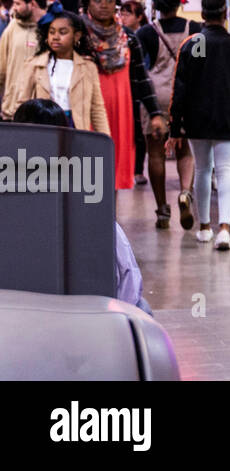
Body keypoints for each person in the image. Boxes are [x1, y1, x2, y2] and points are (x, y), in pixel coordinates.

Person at [11, 96, 150, 313]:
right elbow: (128, 283)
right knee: (142, 309)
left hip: (17, 320)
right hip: (86, 320)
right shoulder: (86, 202)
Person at [170, 0, 230, 251]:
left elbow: (179, 88)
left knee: (203, 171)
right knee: (225, 170)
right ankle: (225, 230)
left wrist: (176, 125)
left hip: (197, 119)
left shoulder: (192, 44)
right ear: (225, 13)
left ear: (202, 14)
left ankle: (204, 227)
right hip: (229, 117)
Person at [83, 0, 164, 192]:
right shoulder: (79, 36)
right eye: (98, 0)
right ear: (89, 4)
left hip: (121, 111)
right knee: (86, 167)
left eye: (109, 0)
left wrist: (155, 113)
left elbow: (141, 78)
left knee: (113, 168)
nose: (103, 5)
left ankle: (109, 220)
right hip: (87, 109)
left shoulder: (128, 39)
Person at [137, 0, 199, 231]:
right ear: (180, 1)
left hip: (156, 96)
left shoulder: (145, 33)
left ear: (155, 3)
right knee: (186, 150)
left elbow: (141, 68)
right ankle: (185, 192)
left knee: (155, 153)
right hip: (186, 95)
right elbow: (200, 62)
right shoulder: (195, 29)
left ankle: (162, 209)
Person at [10, 11, 109, 134]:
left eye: (62, 32)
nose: (55, 37)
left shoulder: (88, 67)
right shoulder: (34, 65)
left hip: (75, 127)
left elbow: (97, 109)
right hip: (43, 127)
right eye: (52, 32)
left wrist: (105, 141)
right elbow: (22, 104)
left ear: (76, 36)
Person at [0, 0, 48, 118]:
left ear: (32, 4)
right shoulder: (13, 27)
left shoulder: (52, 30)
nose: (13, 8)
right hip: (11, 111)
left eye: (17, 4)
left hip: (41, 114)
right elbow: (1, 68)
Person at [119, 0, 149, 186]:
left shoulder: (144, 35)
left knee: (139, 131)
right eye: (122, 14)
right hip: (126, 87)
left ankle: (138, 170)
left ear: (139, 17)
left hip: (140, 87)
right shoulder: (121, 36)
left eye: (128, 14)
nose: (123, 18)